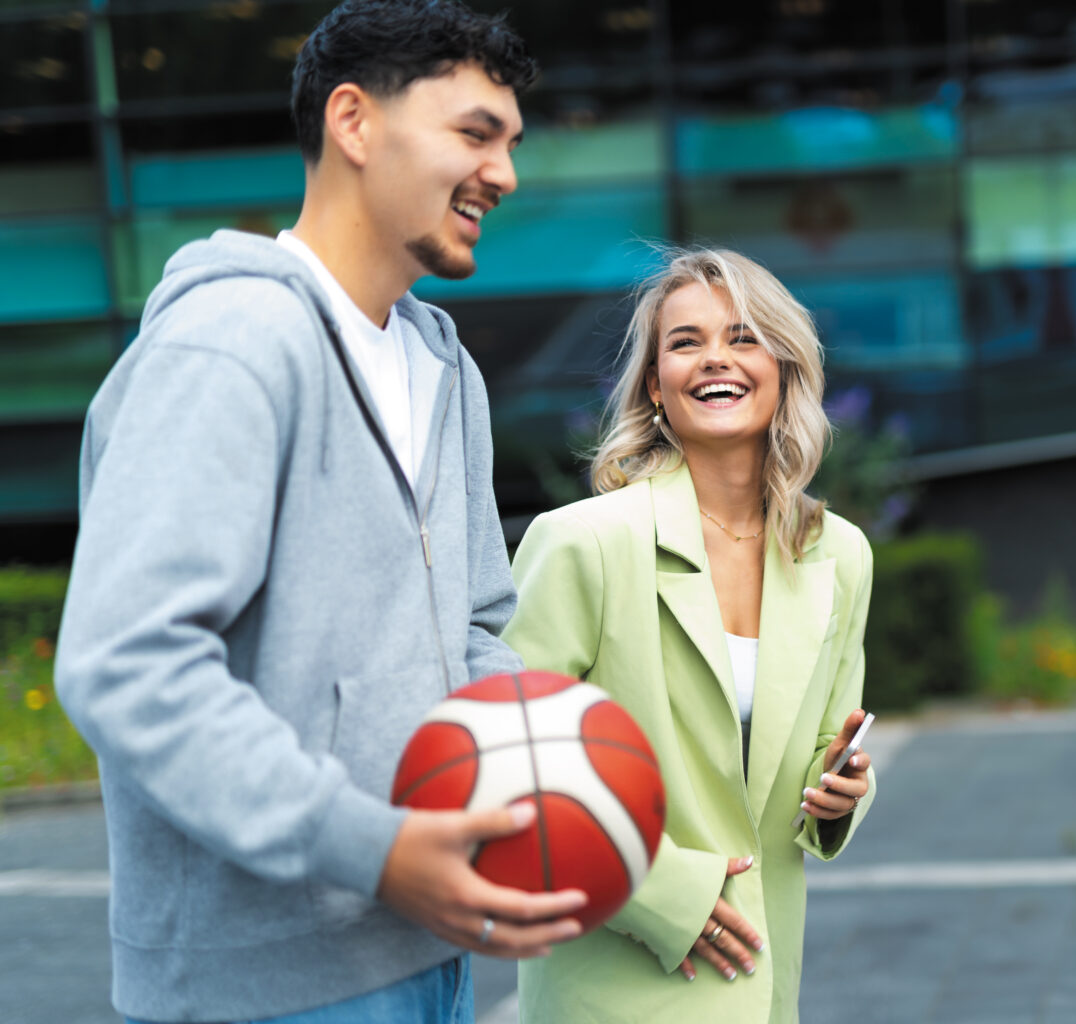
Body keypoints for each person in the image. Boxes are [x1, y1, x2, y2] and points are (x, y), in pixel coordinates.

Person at [53, 2, 587, 1021]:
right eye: (475, 133)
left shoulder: (443, 363)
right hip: (262, 986)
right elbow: (124, 664)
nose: (506, 174)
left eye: (512, 143)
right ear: (353, 121)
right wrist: (373, 846)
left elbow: (474, 631)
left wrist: (561, 783)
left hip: (431, 950)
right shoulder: (230, 345)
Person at [503, 247, 877, 1022]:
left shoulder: (839, 554)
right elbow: (514, 767)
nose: (716, 359)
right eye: (685, 342)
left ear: (784, 367)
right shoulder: (582, 543)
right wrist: (665, 896)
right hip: (615, 981)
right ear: (653, 384)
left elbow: (817, 751)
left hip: (766, 982)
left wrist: (841, 794)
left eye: (743, 337)